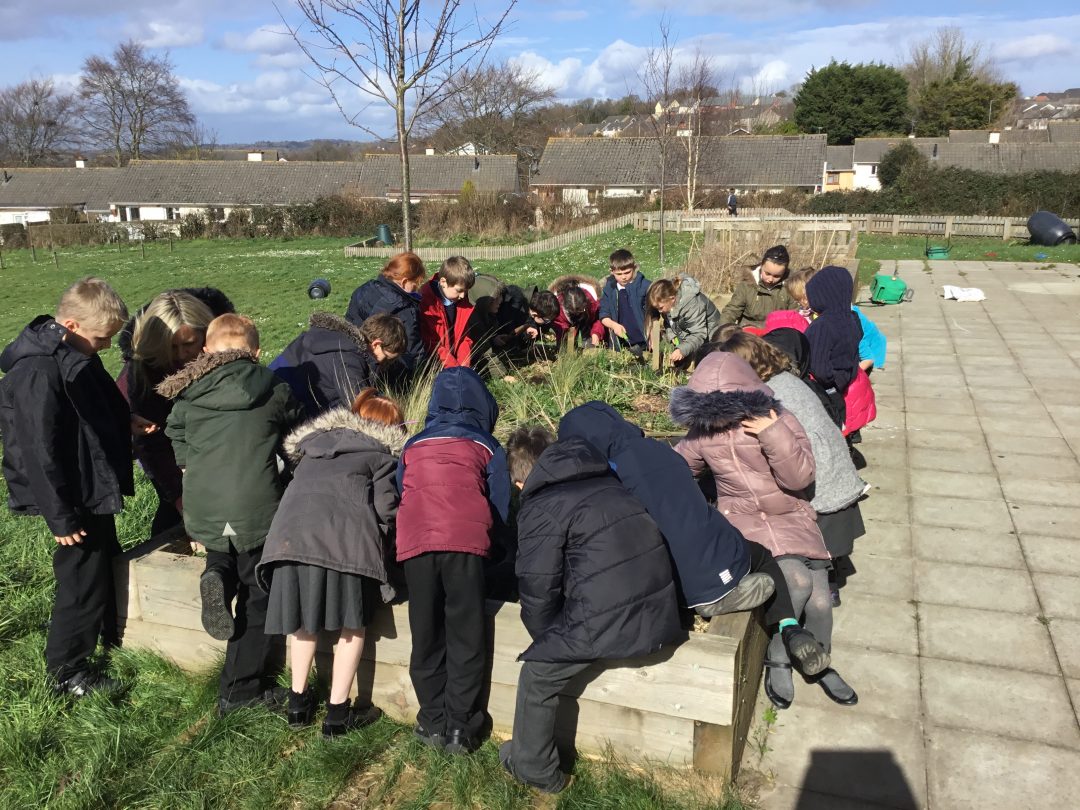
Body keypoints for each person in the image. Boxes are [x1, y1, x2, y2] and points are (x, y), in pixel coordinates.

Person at [499, 426, 683, 794]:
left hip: (613, 614)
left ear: (520, 483)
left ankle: (534, 767)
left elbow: (537, 585)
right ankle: (523, 753)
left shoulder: (542, 505)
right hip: (657, 607)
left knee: (537, 675)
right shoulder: (605, 481)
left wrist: (546, 641)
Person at [670, 352, 857, 710]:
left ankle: (818, 660)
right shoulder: (703, 434)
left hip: (789, 514)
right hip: (745, 522)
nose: (721, 415)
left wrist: (773, 433)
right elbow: (678, 467)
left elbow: (800, 477)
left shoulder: (778, 418)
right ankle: (779, 658)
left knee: (820, 601)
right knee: (797, 582)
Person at [0, 277, 147, 696]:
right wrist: (60, 517)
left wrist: (126, 421)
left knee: (102, 565)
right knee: (80, 579)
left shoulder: (73, 351)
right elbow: (37, 451)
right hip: (71, 493)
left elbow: (96, 404)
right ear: (72, 323)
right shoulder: (38, 371)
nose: (105, 345)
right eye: (103, 338)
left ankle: (108, 635)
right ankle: (68, 671)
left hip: (89, 482)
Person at [158, 313, 305, 716]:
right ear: (256, 352)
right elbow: (294, 432)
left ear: (206, 351)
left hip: (204, 502)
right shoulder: (274, 387)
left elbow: (173, 430)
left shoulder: (188, 391)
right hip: (254, 501)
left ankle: (217, 575)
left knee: (222, 548)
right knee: (258, 593)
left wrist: (187, 463)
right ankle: (240, 690)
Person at [258, 388, 406, 738]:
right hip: (346, 544)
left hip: (290, 540)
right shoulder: (381, 456)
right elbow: (388, 510)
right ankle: (337, 714)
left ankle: (297, 704)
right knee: (352, 626)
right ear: (391, 429)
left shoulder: (313, 448)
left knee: (303, 623)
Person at [395, 367, 510, 754]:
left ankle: (431, 720)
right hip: (465, 542)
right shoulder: (487, 446)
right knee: (465, 632)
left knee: (425, 631)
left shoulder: (412, 446)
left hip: (416, 544)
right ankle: (461, 726)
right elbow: (500, 508)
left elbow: (402, 490)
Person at [719, 331, 869, 608]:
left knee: (814, 555)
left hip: (821, 487)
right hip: (837, 474)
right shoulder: (785, 379)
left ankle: (820, 592)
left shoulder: (769, 397)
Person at [117, 291, 218, 538]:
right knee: (176, 507)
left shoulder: (224, 348)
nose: (182, 355)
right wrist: (177, 494)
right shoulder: (140, 373)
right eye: (172, 347)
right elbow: (150, 442)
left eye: (189, 344)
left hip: (213, 443)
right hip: (164, 447)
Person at [269, 312, 406, 417]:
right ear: (376, 344)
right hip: (284, 410)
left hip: (274, 396)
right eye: (388, 358)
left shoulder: (334, 338)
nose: (387, 364)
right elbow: (361, 406)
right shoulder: (349, 358)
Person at [345, 252, 427, 373]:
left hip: (354, 359)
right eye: (415, 285)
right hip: (388, 370)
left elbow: (350, 320)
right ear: (404, 282)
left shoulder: (364, 289)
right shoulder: (404, 309)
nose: (418, 290)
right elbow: (413, 353)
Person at [805, 266, 864, 432]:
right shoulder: (852, 318)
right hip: (845, 380)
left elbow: (819, 366)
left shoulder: (822, 326)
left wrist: (827, 382)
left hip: (826, 387)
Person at [645, 275, 721, 367]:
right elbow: (669, 322)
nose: (660, 311)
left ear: (672, 299)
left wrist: (682, 350)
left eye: (660, 308)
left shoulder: (692, 304)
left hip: (711, 339)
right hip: (692, 337)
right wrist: (672, 336)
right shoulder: (668, 304)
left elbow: (699, 333)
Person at [419, 256, 476, 368]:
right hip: (435, 365)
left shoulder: (461, 300)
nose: (463, 295)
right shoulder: (426, 302)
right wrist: (454, 368)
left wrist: (464, 366)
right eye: (459, 290)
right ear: (443, 282)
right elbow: (431, 343)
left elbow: (464, 337)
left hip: (456, 364)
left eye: (466, 291)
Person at [720, 245, 795, 328]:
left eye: (776, 276)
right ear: (761, 265)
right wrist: (724, 332)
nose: (770, 279)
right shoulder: (746, 286)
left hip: (778, 334)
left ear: (784, 273)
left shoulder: (790, 287)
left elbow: (796, 315)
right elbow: (731, 311)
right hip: (749, 334)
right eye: (767, 273)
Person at [599, 248, 651, 356]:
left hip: (644, 342)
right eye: (619, 274)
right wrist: (614, 325)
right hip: (620, 344)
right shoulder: (609, 289)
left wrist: (652, 335)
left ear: (634, 268)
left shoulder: (645, 286)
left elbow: (654, 314)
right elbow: (603, 315)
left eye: (627, 272)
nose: (623, 277)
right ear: (612, 272)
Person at [549, 275, 604, 349]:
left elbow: (598, 319)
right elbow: (559, 324)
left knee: (591, 346)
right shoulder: (557, 308)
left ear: (586, 302)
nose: (577, 313)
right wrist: (565, 335)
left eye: (580, 310)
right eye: (573, 311)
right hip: (567, 322)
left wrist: (596, 333)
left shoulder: (593, 302)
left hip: (587, 319)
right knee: (565, 347)